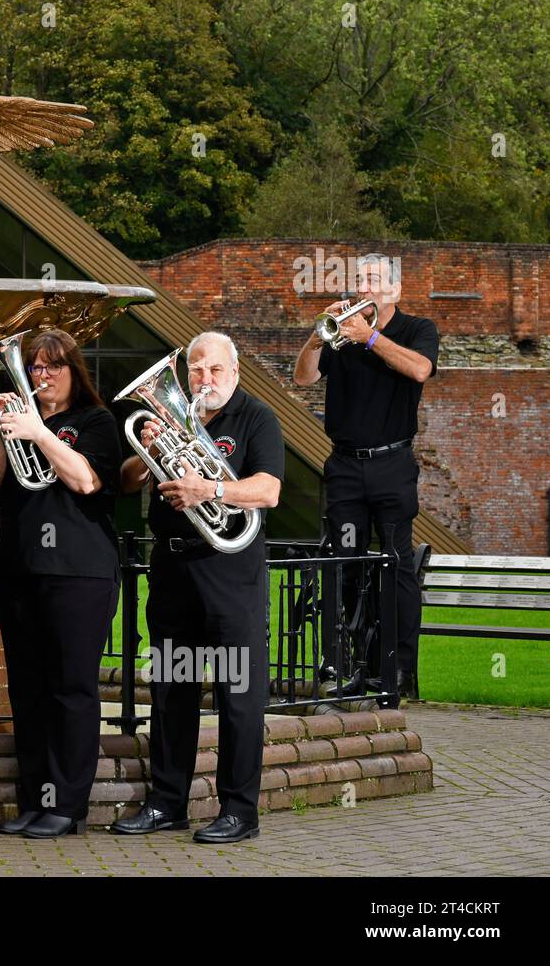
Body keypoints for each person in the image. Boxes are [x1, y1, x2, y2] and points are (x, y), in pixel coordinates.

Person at [112, 332, 282, 844]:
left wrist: (208, 489)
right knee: (170, 692)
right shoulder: (170, 420)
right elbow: (125, 480)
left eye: (214, 370)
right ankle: (167, 804)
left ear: (235, 372)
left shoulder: (257, 418)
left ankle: (239, 811)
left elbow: (268, 490)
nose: (204, 380)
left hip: (230, 570)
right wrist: (145, 452)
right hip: (173, 572)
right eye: (195, 371)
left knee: (238, 696)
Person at [0, 329, 122, 839]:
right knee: (29, 690)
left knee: (71, 689)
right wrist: (1, 429)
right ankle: (36, 800)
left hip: (77, 572)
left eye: (52, 367)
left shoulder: (96, 421)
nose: (41, 376)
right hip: (18, 568)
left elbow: (85, 481)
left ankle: (67, 805)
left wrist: (38, 432)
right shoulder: (19, 424)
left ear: (73, 372)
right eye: (34, 368)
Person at [293, 253, 437, 699]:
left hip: (391, 464)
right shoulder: (343, 334)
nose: (365, 287)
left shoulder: (417, 329)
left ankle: (399, 672)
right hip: (345, 466)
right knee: (348, 565)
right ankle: (357, 665)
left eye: (374, 280)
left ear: (394, 290)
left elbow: (419, 369)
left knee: (396, 567)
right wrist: (318, 337)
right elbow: (302, 379)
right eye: (361, 281)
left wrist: (371, 337)